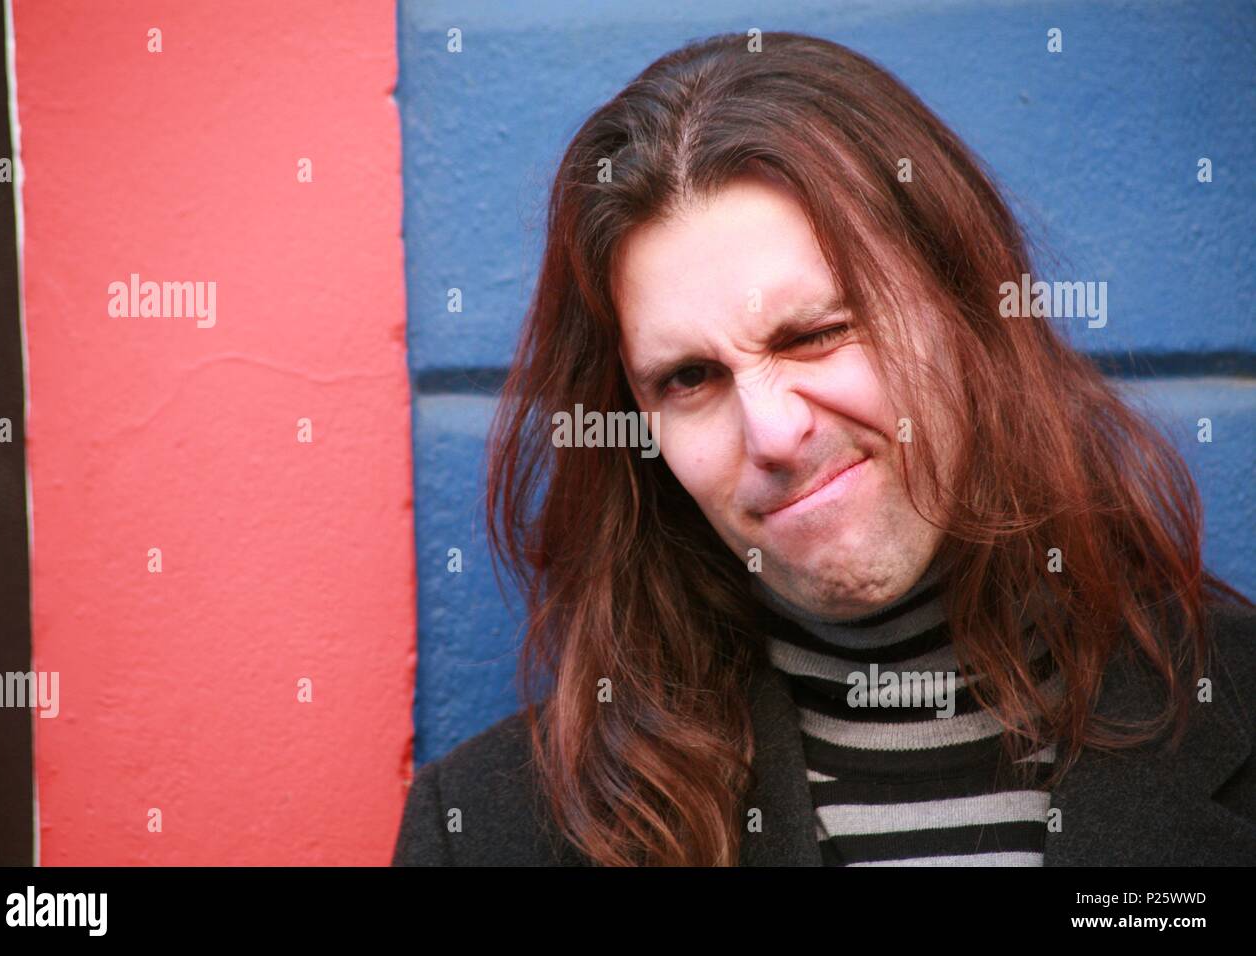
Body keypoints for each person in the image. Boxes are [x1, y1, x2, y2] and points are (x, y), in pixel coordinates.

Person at [392, 31, 1256, 866]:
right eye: (690, 378)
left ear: (966, 313)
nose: (772, 433)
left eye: (816, 333)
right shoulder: (487, 832)